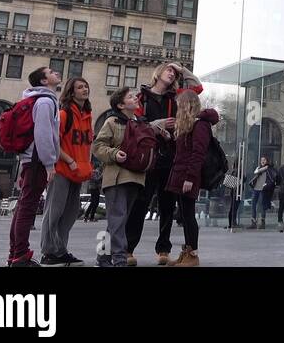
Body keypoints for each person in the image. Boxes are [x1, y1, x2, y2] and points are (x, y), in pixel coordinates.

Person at [126, 62, 203, 266]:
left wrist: (181, 69)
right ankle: (128, 249)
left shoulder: (175, 96)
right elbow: (134, 124)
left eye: (173, 72)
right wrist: (155, 125)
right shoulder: (141, 97)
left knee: (167, 206)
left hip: (170, 158)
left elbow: (197, 88)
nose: (171, 73)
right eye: (168, 70)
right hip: (148, 159)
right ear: (158, 74)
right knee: (140, 204)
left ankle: (163, 250)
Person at [93, 87, 158, 267]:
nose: (135, 98)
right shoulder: (112, 122)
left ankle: (102, 257)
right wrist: (114, 154)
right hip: (116, 177)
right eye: (130, 97)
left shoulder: (142, 123)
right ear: (121, 105)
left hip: (136, 177)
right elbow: (97, 146)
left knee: (117, 221)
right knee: (118, 220)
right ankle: (119, 259)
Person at [7, 66, 62, 267]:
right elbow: (43, 134)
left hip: (30, 160)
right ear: (44, 81)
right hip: (37, 161)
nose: (56, 73)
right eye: (51, 72)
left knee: (23, 206)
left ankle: (15, 254)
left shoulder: (37, 99)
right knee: (27, 208)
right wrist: (50, 164)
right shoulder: (46, 101)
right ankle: (20, 256)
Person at [40, 77, 93, 266]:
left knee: (70, 213)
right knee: (54, 212)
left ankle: (60, 250)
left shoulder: (87, 115)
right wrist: (70, 160)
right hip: (63, 170)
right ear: (72, 92)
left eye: (86, 86)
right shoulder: (63, 114)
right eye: (80, 87)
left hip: (78, 173)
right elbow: (54, 142)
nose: (84, 89)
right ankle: (48, 251)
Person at [165, 90, 217, 267]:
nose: (178, 107)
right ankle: (187, 251)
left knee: (188, 215)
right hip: (180, 174)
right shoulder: (189, 124)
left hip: (188, 176)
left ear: (188, 104)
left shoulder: (200, 125)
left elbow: (198, 154)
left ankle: (193, 254)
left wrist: (190, 178)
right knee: (184, 215)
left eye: (181, 104)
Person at [246, 155, 277, 230]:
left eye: (264, 160)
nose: (263, 161)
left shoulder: (269, 169)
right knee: (253, 204)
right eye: (261, 160)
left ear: (267, 161)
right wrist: (263, 168)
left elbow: (272, 178)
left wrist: (266, 184)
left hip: (263, 189)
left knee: (262, 205)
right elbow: (255, 172)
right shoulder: (259, 168)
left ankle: (262, 222)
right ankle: (253, 222)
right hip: (256, 188)